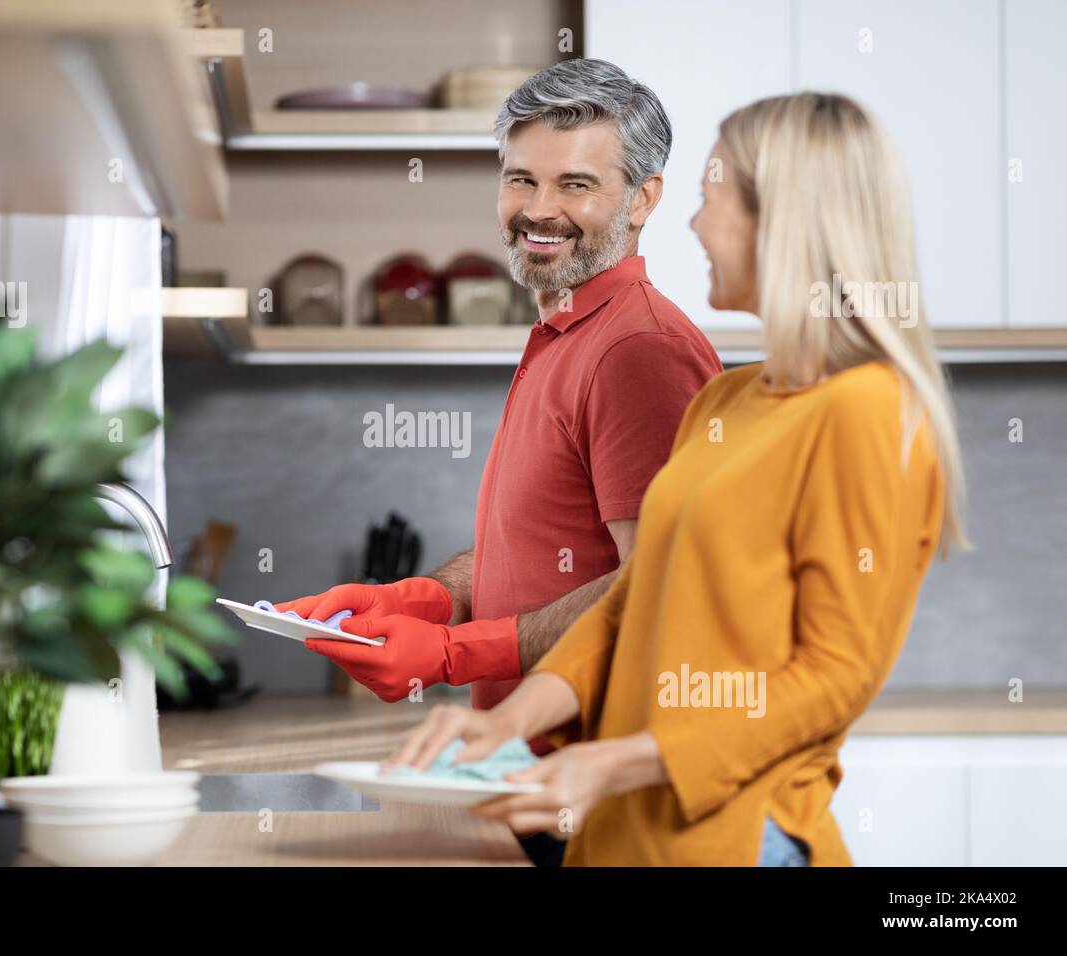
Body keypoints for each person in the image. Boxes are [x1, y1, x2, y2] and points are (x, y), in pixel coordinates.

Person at [387, 92, 969, 867]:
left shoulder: (866, 413)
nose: (692, 223)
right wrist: (507, 719)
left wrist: (613, 761)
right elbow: (633, 599)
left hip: (734, 838)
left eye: (709, 198)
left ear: (783, 219)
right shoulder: (729, 401)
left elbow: (833, 678)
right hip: (625, 832)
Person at [275, 59, 721, 866]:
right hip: (524, 776)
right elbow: (540, 547)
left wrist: (456, 657)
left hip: (595, 799)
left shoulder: (639, 350)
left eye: (576, 184)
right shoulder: (563, 331)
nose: (539, 211)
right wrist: (423, 600)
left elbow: (657, 581)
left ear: (644, 199)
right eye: (521, 180)